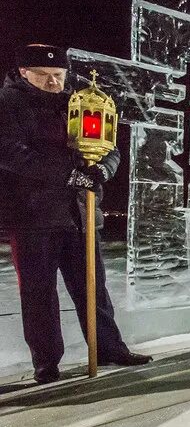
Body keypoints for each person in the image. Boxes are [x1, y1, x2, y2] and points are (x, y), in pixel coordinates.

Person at [0, 44, 152, 384]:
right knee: (39, 293)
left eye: (59, 76)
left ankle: (109, 348)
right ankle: (47, 362)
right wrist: (68, 173)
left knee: (93, 287)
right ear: (24, 72)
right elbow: (10, 153)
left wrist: (102, 172)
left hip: (81, 213)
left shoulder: (81, 101)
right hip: (32, 216)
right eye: (44, 76)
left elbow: (109, 144)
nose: (54, 83)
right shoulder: (8, 104)